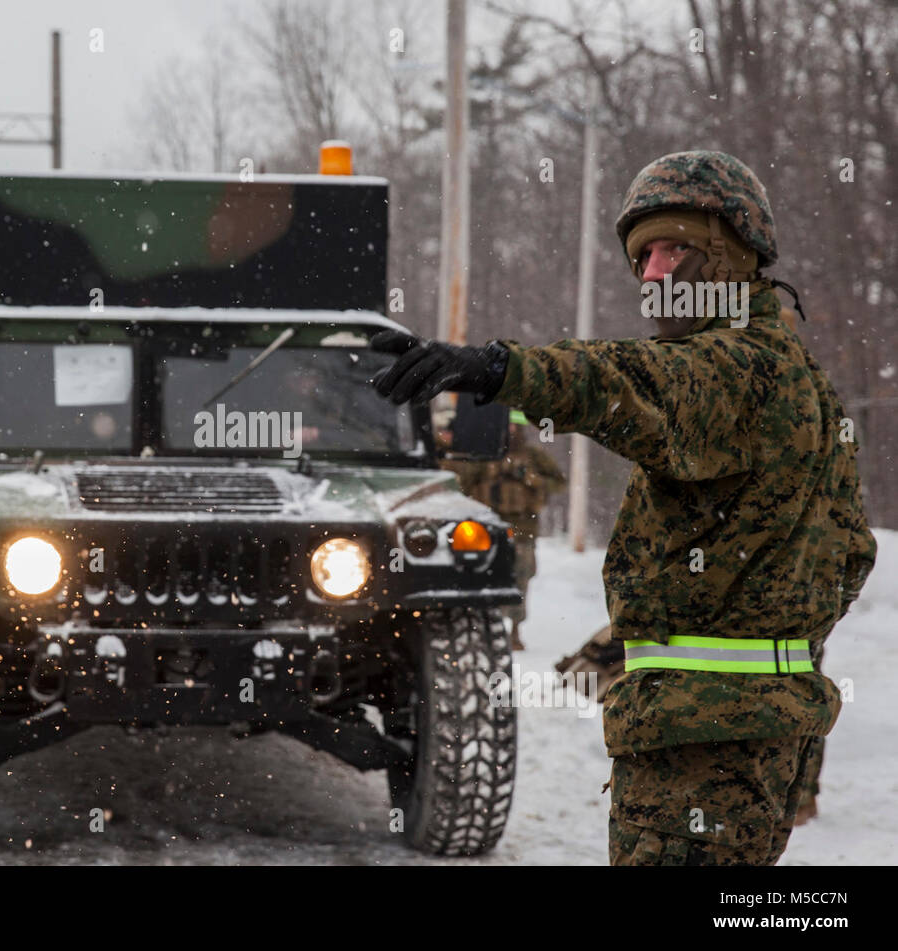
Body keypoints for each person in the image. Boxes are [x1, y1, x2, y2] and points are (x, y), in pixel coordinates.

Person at [369, 150, 876, 866]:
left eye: (675, 249)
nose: (654, 275)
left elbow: (626, 379)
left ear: (731, 256)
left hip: (705, 744)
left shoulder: (743, 368)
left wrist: (499, 369)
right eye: (643, 257)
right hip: (729, 734)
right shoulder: (800, 381)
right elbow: (850, 552)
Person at [441, 409, 566, 649]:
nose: (509, 432)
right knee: (484, 576)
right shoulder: (484, 456)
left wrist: (530, 478)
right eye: (505, 427)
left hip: (522, 529)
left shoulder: (533, 456)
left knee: (520, 579)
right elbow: (462, 482)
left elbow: (558, 483)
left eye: (513, 427)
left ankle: (515, 631)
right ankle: (486, 628)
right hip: (488, 529)